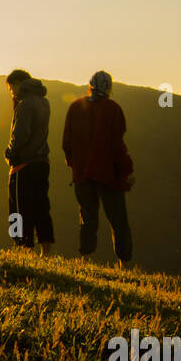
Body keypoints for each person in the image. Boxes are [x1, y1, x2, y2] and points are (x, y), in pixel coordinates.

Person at [61, 70, 134, 266]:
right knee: (118, 220)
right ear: (109, 87)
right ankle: (124, 263)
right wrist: (127, 170)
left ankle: (85, 258)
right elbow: (117, 145)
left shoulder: (76, 107)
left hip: (82, 175)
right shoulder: (113, 109)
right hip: (108, 174)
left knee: (87, 217)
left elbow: (66, 142)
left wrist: (75, 165)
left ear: (90, 84)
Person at [5, 69, 54, 255]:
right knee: (41, 206)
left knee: (17, 208)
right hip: (42, 162)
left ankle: (21, 248)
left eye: (11, 88)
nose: (11, 92)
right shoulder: (44, 102)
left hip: (23, 164)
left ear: (18, 84)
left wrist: (10, 152)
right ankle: (45, 249)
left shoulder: (24, 104)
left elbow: (20, 134)